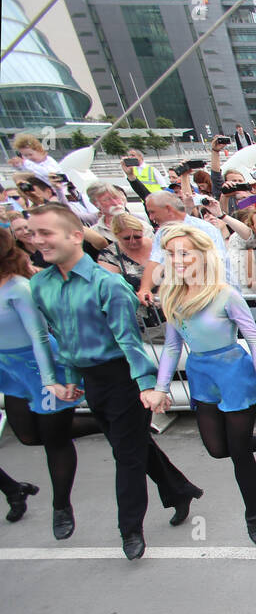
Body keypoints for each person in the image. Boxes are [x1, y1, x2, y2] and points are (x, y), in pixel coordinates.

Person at [26, 203, 202, 559]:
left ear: (76, 236)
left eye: (46, 233)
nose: (37, 241)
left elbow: (128, 341)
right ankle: (180, 490)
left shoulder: (108, 284)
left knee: (127, 456)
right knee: (135, 445)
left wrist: (148, 386)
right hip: (90, 380)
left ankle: (130, 529)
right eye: (33, 233)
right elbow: (53, 336)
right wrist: (63, 378)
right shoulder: (41, 284)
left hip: (122, 377)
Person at [142, 225, 256, 546]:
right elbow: (173, 347)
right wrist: (161, 388)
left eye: (184, 253)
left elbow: (254, 339)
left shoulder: (225, 294)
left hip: (234, 372)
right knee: (218, 449)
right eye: (171, 254)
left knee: (240, 452)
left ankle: (252, 515)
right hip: (202, 375)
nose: (177, 260)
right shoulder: (171, 296)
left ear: (202, 255)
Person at [0, 226, 100, 538]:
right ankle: (108, 421)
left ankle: (61, 506)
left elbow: (40, 335)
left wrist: (48, 380)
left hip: (39, 364)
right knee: (29, 436)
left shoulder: (18, 288)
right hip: (9, 368)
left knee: (55, 440)